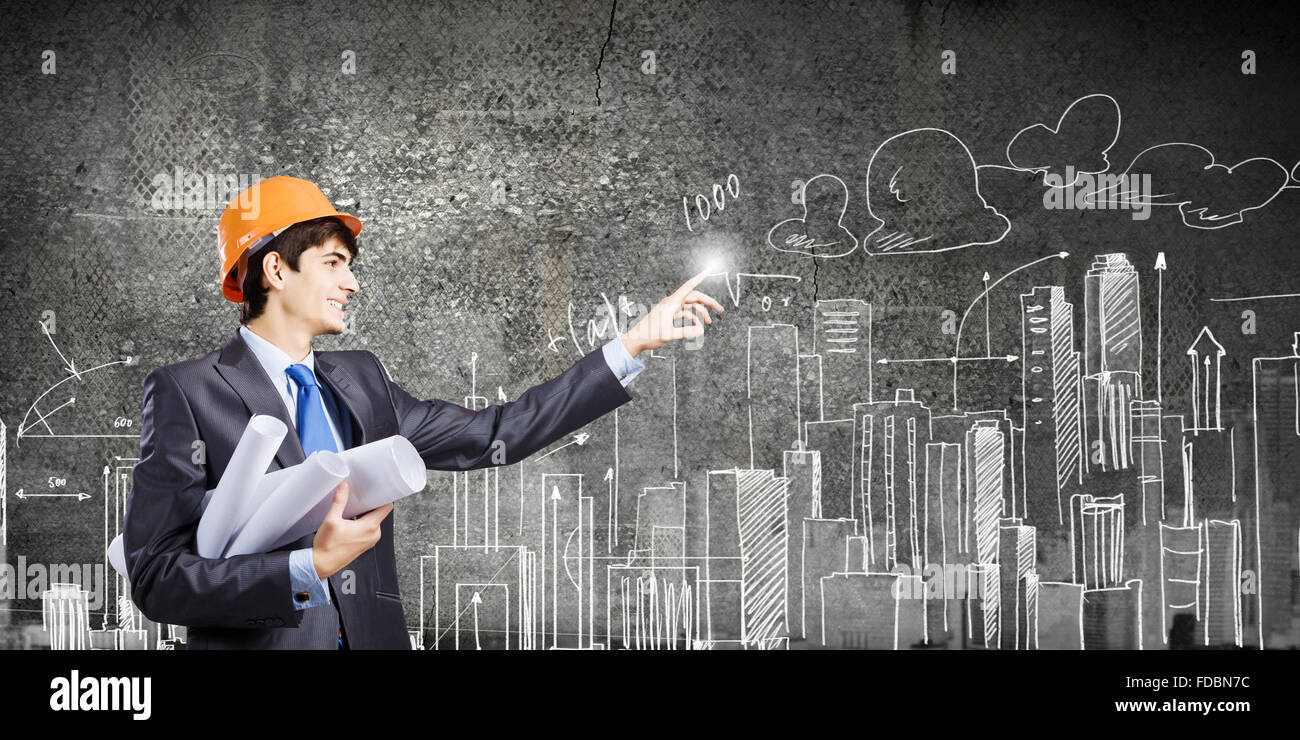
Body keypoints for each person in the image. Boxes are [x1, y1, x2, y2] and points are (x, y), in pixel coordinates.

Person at [122, 176, 724, 649]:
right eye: (334, 263)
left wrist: (633, 344)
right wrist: (309, 565)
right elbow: (155, 578)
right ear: (277, 269)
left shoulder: (361, 382)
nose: (351, 283)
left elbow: (498, 433)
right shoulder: (188, 393)